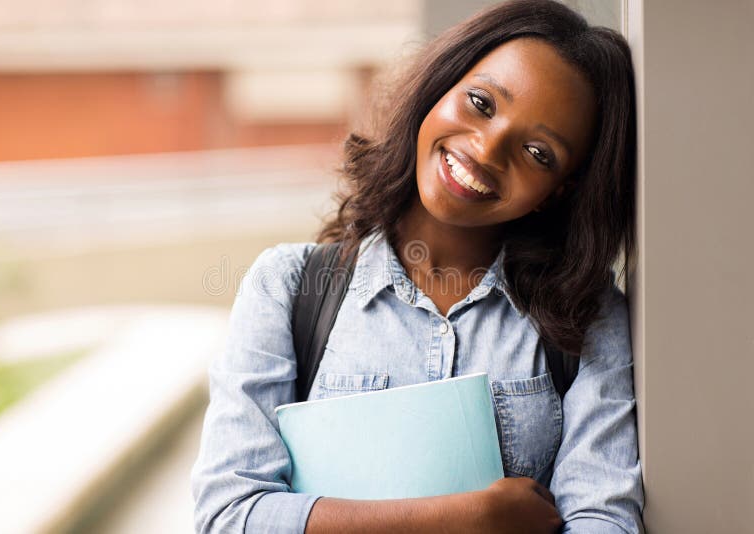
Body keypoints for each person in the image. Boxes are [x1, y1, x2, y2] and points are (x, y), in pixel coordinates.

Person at [191, 0, 644, 532]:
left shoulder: (585, 318)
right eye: (480, 102)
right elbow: (229, 515)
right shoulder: (287, 288)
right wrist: (466, 517)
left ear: (558, 190)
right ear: (441, 88)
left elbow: (604, 518)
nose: (487, 148)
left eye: (539, 152)